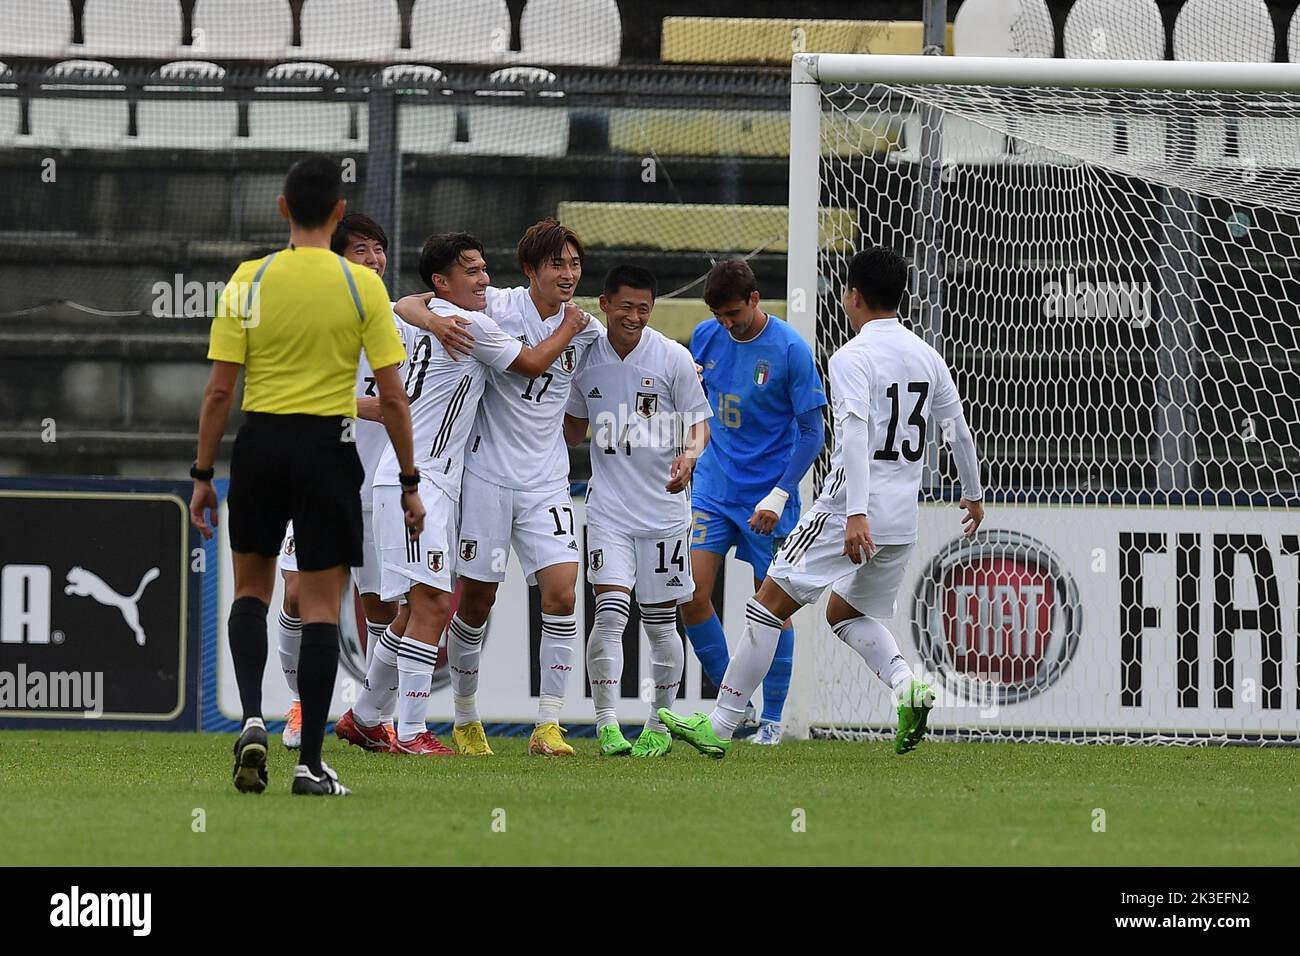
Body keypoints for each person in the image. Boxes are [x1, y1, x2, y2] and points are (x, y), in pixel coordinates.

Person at [659, 246, 984, 757]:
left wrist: (854, 512)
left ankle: (721, 725)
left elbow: (852, 434)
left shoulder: (851, 356)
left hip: (849, 511)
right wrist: (972, 493)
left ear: (853, 296)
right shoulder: (928, 355)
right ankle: (908, 687)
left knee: (766, 606)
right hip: (902, 518)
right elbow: (958, 431)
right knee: (845, 613)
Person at [190, 155, 424, 796]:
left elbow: (217, 393)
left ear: (283, 208)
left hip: (261, 441)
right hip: (328, 445)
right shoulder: (362, 288)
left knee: (251, 592)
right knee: (323, 607)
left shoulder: (249, 277)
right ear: (340, 213)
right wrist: (408, 480)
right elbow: (395, 398)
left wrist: (203, 472)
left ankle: (253, 717)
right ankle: (310, 764)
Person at [337, 232, 591, 755]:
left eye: (483, 270)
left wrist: (426, 317)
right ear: (442, 283)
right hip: (423, 479)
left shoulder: (416, 322)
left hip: (425, 479)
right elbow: (530, 364)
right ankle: (411, 732)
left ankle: (364, 717)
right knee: (432, 605)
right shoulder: (476, 322)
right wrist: (569, 326)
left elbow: (399, 308)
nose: (483, 280)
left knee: (414, 609)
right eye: (472, 272)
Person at [276, 213, 416, 750]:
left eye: (380, 250)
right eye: (362, 250)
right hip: (316, 478)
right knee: (296, 594)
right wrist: (367, 406)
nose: (376, 260)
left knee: (381, 607)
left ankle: (373, 713)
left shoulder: (400, 323)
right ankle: (301, 704)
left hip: (380, 488)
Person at [563, 265, 712, 757]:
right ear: (604, 303)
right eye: (625, 306)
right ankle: (606, 724)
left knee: (660, 624)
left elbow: (698, 425)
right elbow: (571, 427)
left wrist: (690, 456)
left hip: (665, 514)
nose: (633, 316)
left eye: (643, 309)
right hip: (607, 512)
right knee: (608, 616)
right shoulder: (585, 361)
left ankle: (658, 726)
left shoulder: (673, 358)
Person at [682, 259, 826, 744]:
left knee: (773, 608)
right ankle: (734, 703)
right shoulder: (704, 336)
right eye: (718, 315)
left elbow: (812, 432)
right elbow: (693, 402)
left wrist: (780, 492)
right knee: (691, 594)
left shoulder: (789, 349)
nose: (726, 323)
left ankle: (772, 719)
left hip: (769, 495)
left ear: (754, 300)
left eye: (733, 314)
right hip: (715, 485)